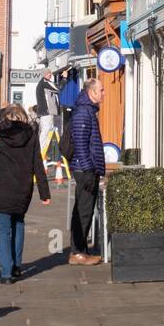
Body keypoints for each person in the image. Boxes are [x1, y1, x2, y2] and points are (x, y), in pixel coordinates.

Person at [0, 103, 50, 283]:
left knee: (3, 229)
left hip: (0, 187)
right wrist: (44, 193)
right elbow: (37, 164)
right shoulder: (31, 134)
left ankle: (6, 273)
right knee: (18, 223)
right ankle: (16, 266)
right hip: (22, 188)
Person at [68, 77, 105, 265]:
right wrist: (89, 170)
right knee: (83, 210)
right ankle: (77, 252)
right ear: (92, 92)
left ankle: (81, 250)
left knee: (85, 210)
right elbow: (81, 144)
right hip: (84, 169)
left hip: (87, 168)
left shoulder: (88, 110)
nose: (104, 93)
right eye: (101, 90)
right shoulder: (84, 112)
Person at [35, 66, 60, 161]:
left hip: (46, 113)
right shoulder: (45, 83)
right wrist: (65, 79)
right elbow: (58, 88)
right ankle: (41, 154)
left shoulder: (43, 83)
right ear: (45, 74)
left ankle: (47, 153)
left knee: (48, 133)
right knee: (46, 133)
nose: (51, 74)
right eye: (49, 73)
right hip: (47, 113)